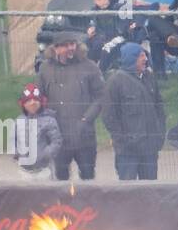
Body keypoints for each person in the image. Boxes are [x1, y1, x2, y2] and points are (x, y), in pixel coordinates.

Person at [37, 31, 105, 180]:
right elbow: (39, 99)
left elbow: (101, 96)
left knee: (88, 180)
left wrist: (86, 119)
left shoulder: (89, 66)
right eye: (66, 45)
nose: (71, 48)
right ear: (55, 48)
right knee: (61, 182)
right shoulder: (45, 69)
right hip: (58, 138)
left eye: (73, 44)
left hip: (84, 136)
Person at [102, 43, 166, 180]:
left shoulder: (149, 77)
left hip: (149, 149)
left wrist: (160, 135)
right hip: (127, 153)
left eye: (145, 55)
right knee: (127, 194)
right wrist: (122, 141)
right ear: (131, 59)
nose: (145, 59)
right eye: (141, 56)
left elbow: (159, 108)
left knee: (150, 192)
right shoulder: (115, 81)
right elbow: (109, 116)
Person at [11, 83, 62, 180]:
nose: (32, 103)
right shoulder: (18, 121)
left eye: (35, 100)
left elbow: (56, 141)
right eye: (28, 100)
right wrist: (16, 153)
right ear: (23, 104)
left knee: (46, 194)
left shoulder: (49, 120)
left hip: (44, 170)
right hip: (24, 171)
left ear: (41, 102)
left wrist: (46, 154)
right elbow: (13, 139)